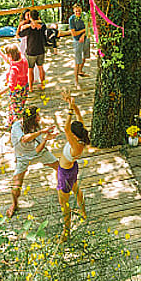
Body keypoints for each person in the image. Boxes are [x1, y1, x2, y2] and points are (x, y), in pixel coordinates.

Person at [7, 106, 58, 218]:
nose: (39, 118)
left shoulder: (36, 127)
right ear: (31, 119)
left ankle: (62, 189)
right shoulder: (17, 126)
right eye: (37, 116)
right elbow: (24, 139)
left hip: (37, 153)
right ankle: (14, 204)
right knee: (16, 185)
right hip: (22, 157)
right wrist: (41, 132)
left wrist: (46, 139)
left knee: (60, 168)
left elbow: (38, 149)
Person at [56, 90, 90, 239]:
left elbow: (65, 128)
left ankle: (66, 232)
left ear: (74, 136)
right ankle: (83, 212)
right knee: (76, 189)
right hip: (72, 169)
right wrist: (72, 104)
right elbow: (78, 116)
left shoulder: (76, 145)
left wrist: (70, 110)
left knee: (64, 204)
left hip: (65, 173)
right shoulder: (81, 135)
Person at [17, 9, 48, 90]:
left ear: (30, 17)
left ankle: (30, 87)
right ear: (38, 17)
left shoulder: (29, 29)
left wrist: (21, 26)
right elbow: (44, 26)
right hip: (41, 50)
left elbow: (19, 35)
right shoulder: (42, 26)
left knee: (30, 70)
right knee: (41, 68)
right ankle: (43, 85)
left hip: (31, 51)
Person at [0, 43, 30, 122]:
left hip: (17, 90)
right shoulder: (23, 59)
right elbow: (11, 61)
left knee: (14, 108)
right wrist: (0, 53)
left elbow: (11, 85)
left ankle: (12, 124)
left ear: (10, 55)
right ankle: (19, 122)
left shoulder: (14, 69)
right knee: (21, 107)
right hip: (25, 87)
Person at [69, 3, 91, 83]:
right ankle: (76, 81)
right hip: (77, 40)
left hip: (85, 38)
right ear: (73, 11)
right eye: (76, 11)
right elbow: (74, 34)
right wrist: (83, 31)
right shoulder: (71, 19)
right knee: (77, 61)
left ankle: (80, 71)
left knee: (85, 56)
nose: (78, 13)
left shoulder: (84, 16)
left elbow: (88, 27)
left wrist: (83, 35)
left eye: (79, 11)